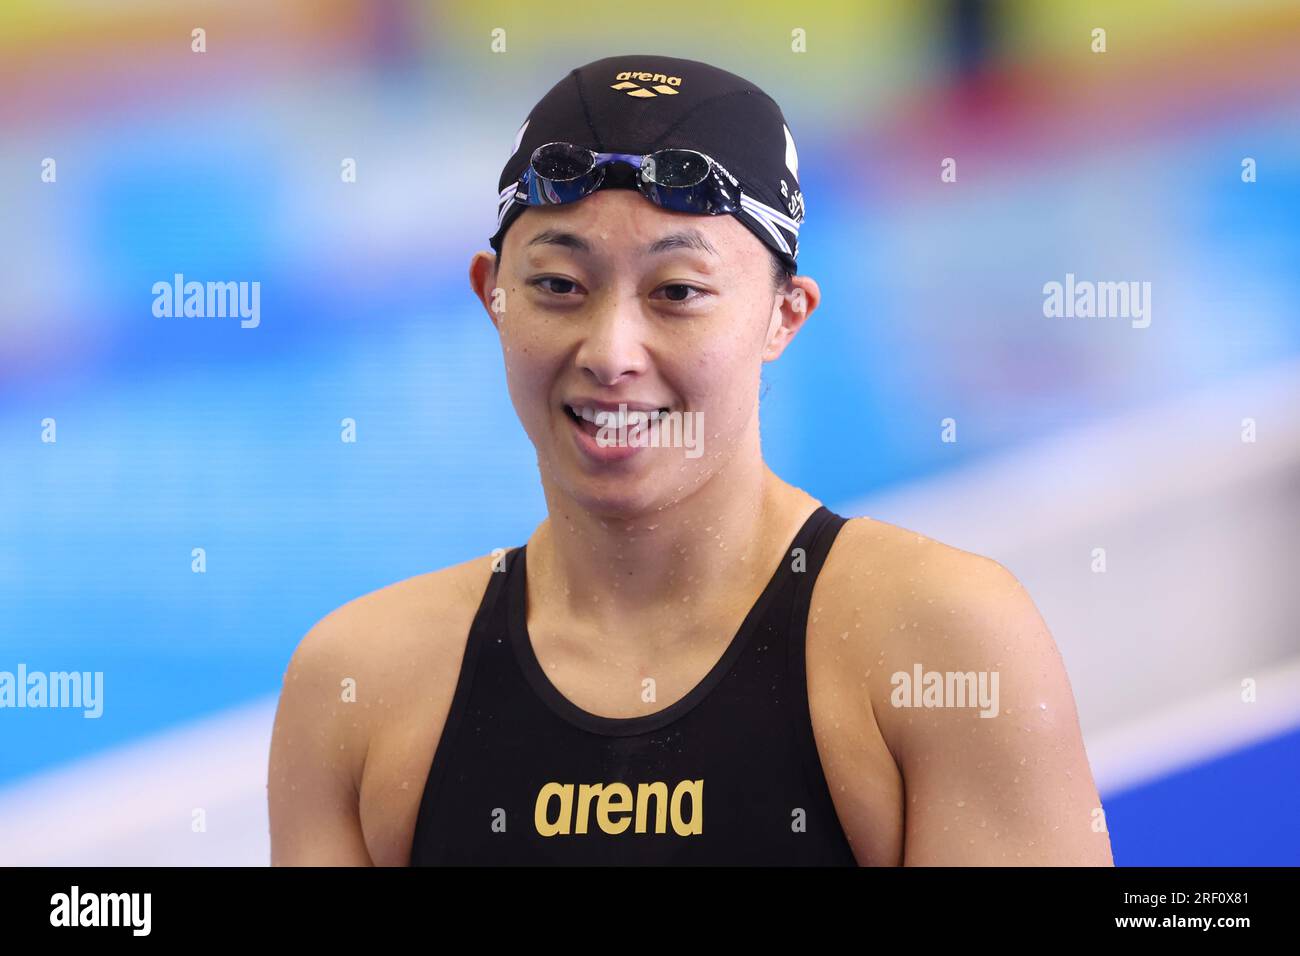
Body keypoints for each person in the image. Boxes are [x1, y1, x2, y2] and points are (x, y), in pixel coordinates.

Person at [268, 54, 1113, 866]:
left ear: (784, 316)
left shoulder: (936, 642)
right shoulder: (360, 684)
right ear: (492, 294)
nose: (610, 353)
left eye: (677, 292)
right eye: (558, 285)